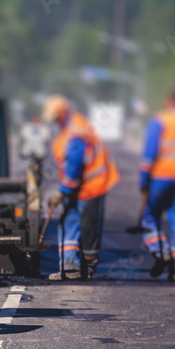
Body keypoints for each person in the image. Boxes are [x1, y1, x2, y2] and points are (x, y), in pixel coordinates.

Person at [43, 96, 120, 281]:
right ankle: (70, 268)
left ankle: (87, 268)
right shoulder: (68, 130)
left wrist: (62, 191)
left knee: (88, 228)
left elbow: (75, 167)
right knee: (68, 221)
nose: (54, 122)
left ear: (62, 112)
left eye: (55, 117)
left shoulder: (76, 132)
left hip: (92, 186)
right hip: (78, 186)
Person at [139, 89, 175, 281]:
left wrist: (143, 180)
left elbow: (149, 152)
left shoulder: (160, 119)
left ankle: (160, 251)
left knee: (149, 217)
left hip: (161, 177)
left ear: (168, 100)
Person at [19, 115, 51, 190]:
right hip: (29, 153)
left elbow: (46, 141)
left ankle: (37, 184)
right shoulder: (27, 128)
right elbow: (22, 140)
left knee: (38, 169)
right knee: (30, 169)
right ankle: (31, 185)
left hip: (39, 154)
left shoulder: (43, 129)